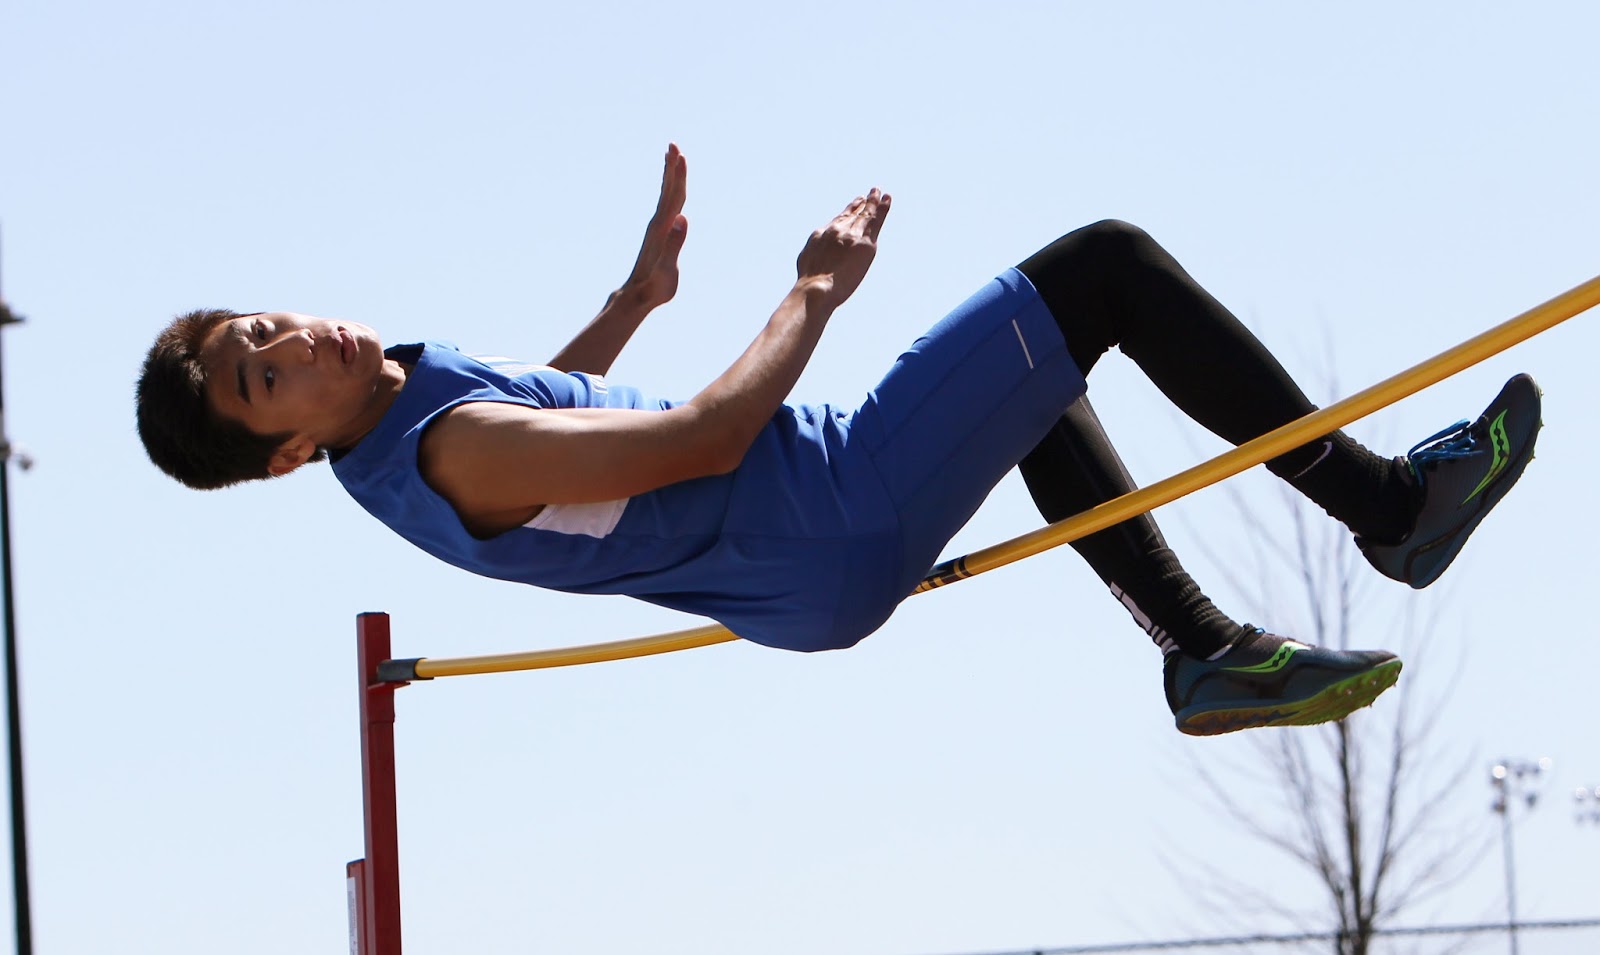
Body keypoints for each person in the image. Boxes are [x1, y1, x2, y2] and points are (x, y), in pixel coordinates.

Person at [135, 145, 1541, 736]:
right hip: (821, 500)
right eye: (262, 385)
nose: (291, 346)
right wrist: (812, 286)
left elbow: (547, 426)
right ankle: (1388, 511)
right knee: (1102, 268)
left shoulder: (407, 430)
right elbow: (704, 435)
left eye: (263, 328)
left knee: (1027, 377)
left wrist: (633, 300)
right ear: (279, 458)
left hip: (805, 540)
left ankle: (1200, 651)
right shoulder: (444, 456)